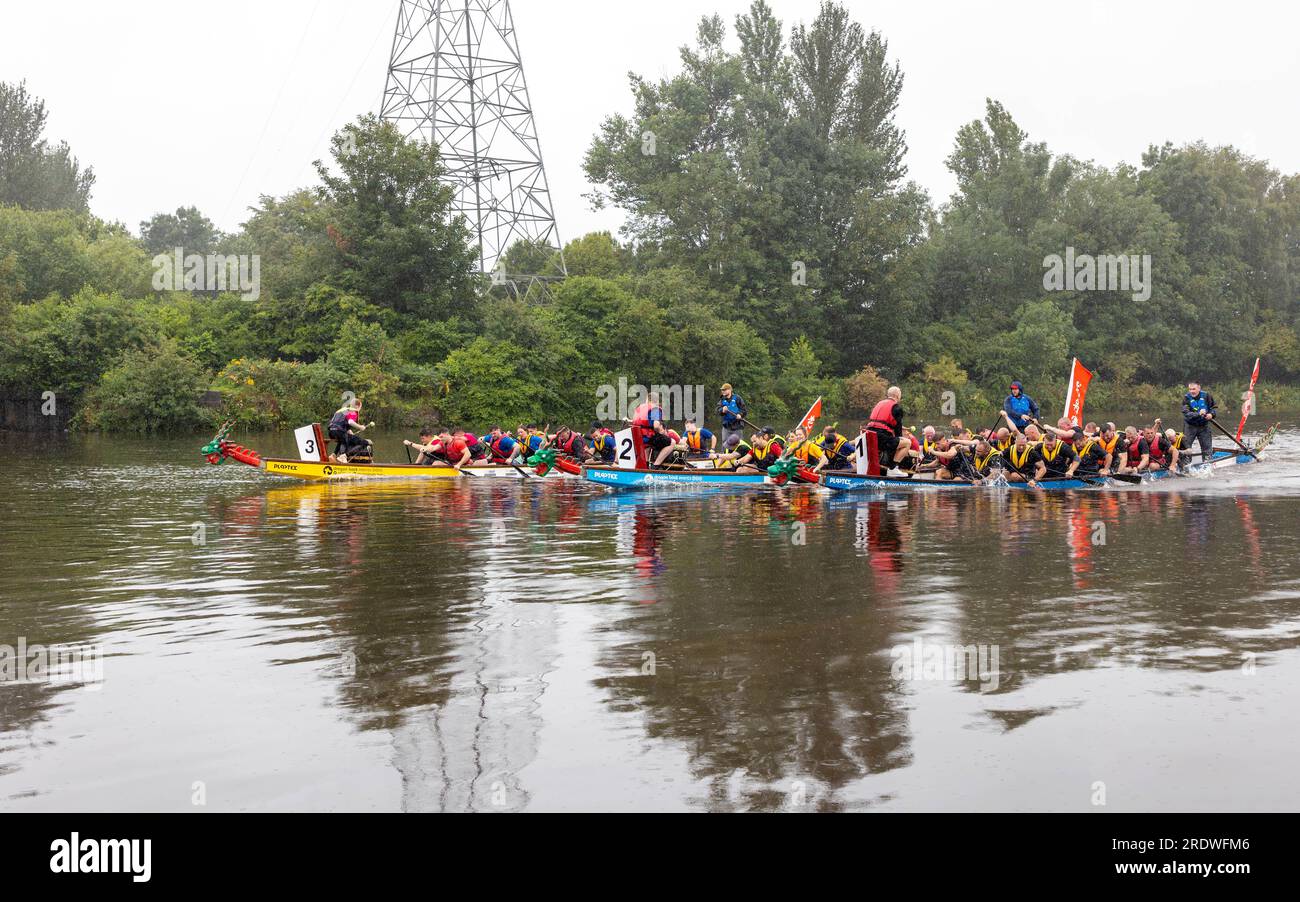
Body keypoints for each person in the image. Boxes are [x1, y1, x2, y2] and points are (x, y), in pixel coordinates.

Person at [866, 386, 912, 475]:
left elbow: (881, 422)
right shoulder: (897, 407)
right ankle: (893, 469)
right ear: (898, 396)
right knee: (907, 443)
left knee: (893, 441)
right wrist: (900, 440)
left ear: (888, 395)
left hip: (869, 434)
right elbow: (898, 430)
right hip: (881, 437)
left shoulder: (879, 403)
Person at [1181, 381, 1218, 464]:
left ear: (1199, 388)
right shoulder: (1186, 398)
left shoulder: (1207, 396)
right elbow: (1186, 413)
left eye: (1194, 389)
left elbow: (1214, 407)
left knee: (1207, 448)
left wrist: (1211, 414)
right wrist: (1198, 414)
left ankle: (1207, 464)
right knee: (1185, 446)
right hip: (1190, 426)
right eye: (1190, 389)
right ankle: (1185, 465)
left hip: (1204, 426)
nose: (1192, 391)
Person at [327, 398, 373, 462]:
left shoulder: (343, 410)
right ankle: (344, 456)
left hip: (331, 432)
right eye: (360, 407)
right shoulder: (353, 411)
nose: (359, 409)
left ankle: (333, 455)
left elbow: (342, 424)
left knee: (343, 438)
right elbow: (350, 422)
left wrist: (350, 432)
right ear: (357, 406)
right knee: (364, 443)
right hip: (340, 432)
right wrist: (360, 427)